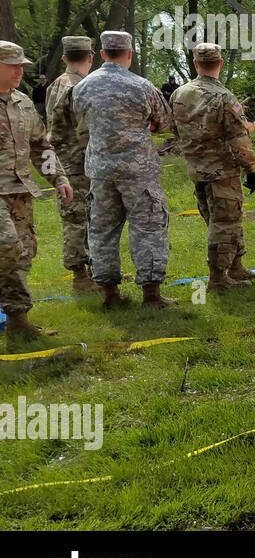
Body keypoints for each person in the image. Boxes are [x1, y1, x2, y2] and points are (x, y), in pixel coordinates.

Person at [71, 30, 176, 309]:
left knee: (102, 230)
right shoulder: (142, 86)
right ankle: (152, 295)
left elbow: (80, 121)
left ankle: (109, 294)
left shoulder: (82, 87)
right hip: (138, 172)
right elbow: (164, 122)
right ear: (129, 54)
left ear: (103, 54)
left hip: (100, 172)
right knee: (149, 228)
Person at [170, 43, 255, 290]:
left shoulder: (179, 94)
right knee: (225, 221)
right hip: (222, 170)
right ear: (220, 63)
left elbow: (175, 129)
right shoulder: (224, 97)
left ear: (196, 64)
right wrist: (250, 169)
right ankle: (219, 278)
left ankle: (236, 266)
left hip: (197, 169)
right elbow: (239, 138)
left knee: (218, 218)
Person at [0, 40, 74, 342]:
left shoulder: (23, 103)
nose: (20, 70)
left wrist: (58, 178)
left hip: (19, 191)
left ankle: (18, 320)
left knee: (25, 252)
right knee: (7, 245)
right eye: (13, 65)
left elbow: (40, 146)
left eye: (22, 65)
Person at [44, 36, 98, 292]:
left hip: (61, 161)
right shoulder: (82, 87)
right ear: (90, 57)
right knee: (78, 220)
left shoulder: (55, 84)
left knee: (77, 217)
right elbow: (85, 130)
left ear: (65, 58)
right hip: (79, 162)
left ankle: (91, 271)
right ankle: (81, 277)